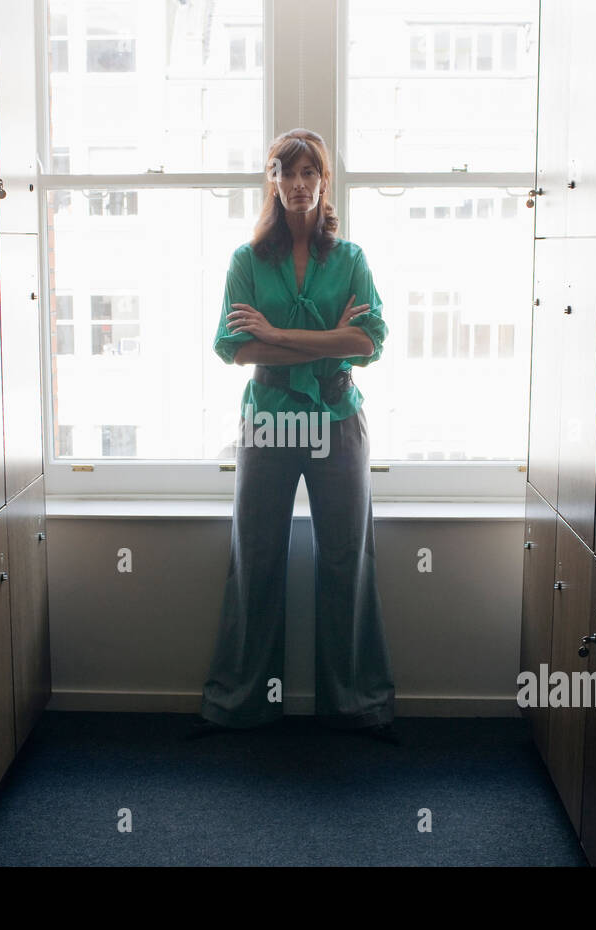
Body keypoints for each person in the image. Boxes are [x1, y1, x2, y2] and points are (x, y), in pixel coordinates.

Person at [188, 128, 399, 745]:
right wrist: (322, 339)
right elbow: (233, 347)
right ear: (272, 182)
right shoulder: (246, 262)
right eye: (289, 173)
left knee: (345, 556)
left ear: (324, 182)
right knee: (256, 553)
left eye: (311, 173)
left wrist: (277, 335)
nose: (301, 185)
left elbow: (368, 343)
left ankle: (355, 706)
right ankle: (242, 704)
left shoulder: (352, 259)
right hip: (270, 417)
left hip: (337, 418)